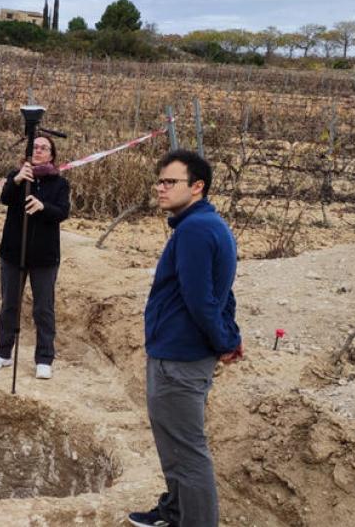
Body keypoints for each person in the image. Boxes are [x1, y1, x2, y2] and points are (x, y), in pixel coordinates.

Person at [128, 149, 243, 527]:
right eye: (159, 181)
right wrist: (230, 335)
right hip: (178, 353)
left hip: (179, 359)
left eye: (170, 182)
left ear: (197, 187)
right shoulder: (205, 225)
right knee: (175, 445)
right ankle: (176, 511)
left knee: (187, 452)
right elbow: (220, 293)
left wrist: (226, 341)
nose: (160, 189)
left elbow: (201, 300)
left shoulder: (195, 230)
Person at [0, 135, 71, 379]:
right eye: (35, 147)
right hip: (13, 253)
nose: (39, 151)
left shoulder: (59, 184)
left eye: (44, 148)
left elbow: (62, 212)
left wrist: (43, 207)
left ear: (52, 155)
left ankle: (44, 358)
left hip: (44, 256)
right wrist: (18, 180)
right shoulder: (17, 177)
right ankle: (3, 352)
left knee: (43, 308)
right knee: (9, 304)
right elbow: (5, 199)